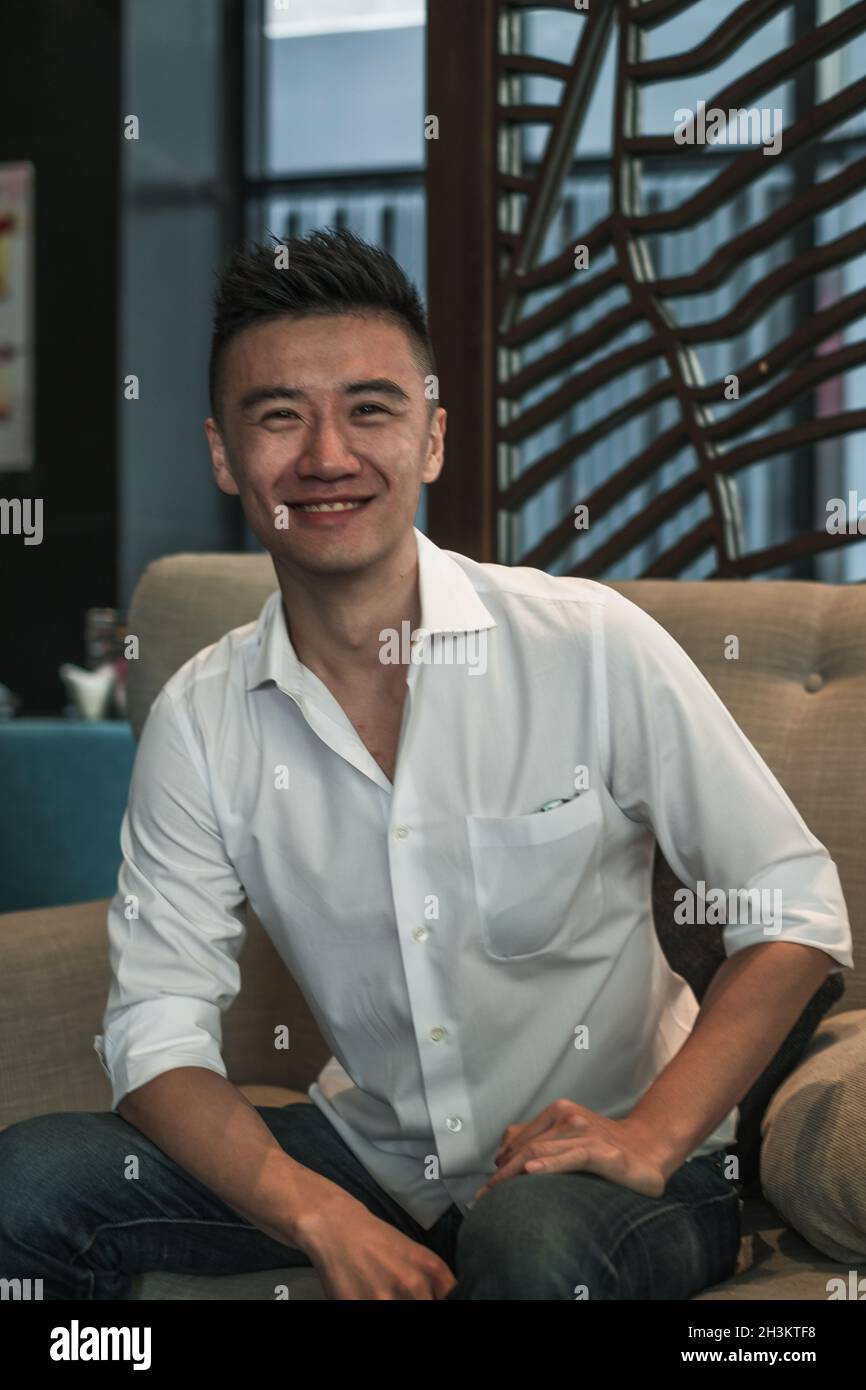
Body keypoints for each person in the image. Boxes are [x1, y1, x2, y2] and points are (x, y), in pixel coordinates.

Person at [0, 228, 853, 1300]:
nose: (324, 456)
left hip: (621, 1169)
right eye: (278, 416)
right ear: (224, 454)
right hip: (378, 1160)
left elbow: (791, 906)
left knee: (527, 1241)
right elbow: (155, 1033)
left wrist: (652, 1132)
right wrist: (318, 1215)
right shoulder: (202, 716)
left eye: (370, 407)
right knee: (29, 1185)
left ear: (432, 437)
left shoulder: (582, 642)